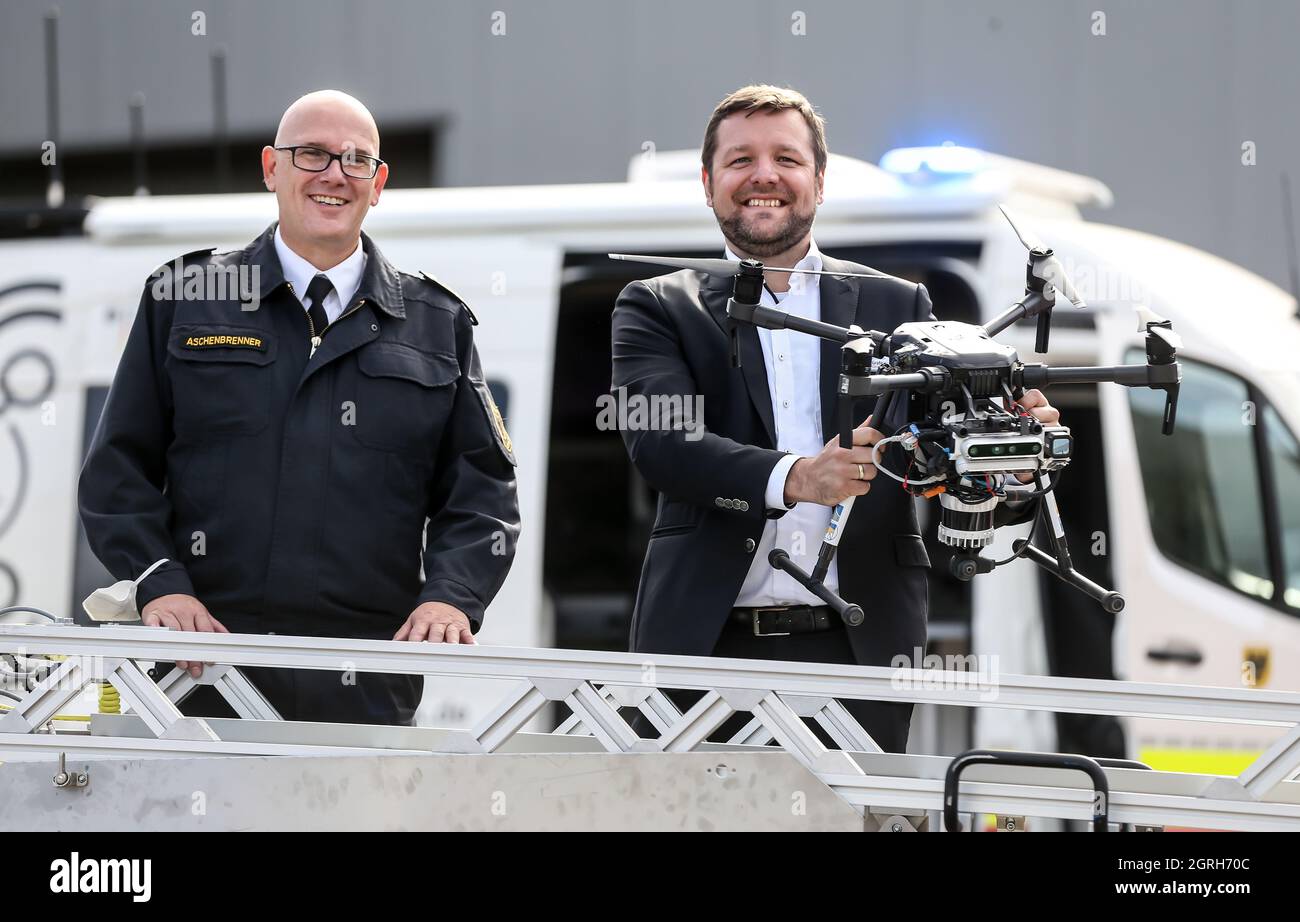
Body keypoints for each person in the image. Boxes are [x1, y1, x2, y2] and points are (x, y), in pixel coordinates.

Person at [610, 85, 1059, 751]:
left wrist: (1012, 457)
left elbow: (943, 467)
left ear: (820, 181)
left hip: (862, 652)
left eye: (786, 159)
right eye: (740, 161)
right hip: (702, 650)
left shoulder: (899, 304)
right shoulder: (655, 304)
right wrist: (798, 478)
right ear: (708, 184)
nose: (764, 176)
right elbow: (661, 444)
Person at [78, 90, 519, 726]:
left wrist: (452, 596)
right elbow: (116, 471)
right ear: (271, 168)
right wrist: (159, 581)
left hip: (366, 684)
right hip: (197, 674)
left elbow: (483, 495)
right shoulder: (186, 298)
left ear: (379, 183)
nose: (334, 175)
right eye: (311, 154)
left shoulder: (437, 325)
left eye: (356, 160)